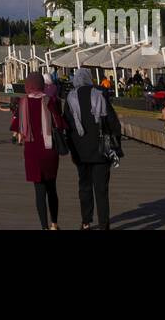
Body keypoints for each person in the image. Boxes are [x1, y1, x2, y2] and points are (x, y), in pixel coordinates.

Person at [0, 71, 65, 229]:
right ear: (42, 84)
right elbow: (61, 124)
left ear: (28, 85)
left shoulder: (22, 103)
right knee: (52, 189)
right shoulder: (50, 101)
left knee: (39, 192)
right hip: (49, 151)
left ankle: (43, 226)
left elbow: (15, 127)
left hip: (32, 152)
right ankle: (54, 224)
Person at [63, 68, 121, 230]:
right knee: (101, 189)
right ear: (90, 79)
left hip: (80, 151)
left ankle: (86, 222)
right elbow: (113, 122)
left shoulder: (71, 98)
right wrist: (116, 146)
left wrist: (71, 148)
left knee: (84, 187)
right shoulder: (100, 95)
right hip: (101, 149)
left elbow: (67, 125)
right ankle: (104, 224)